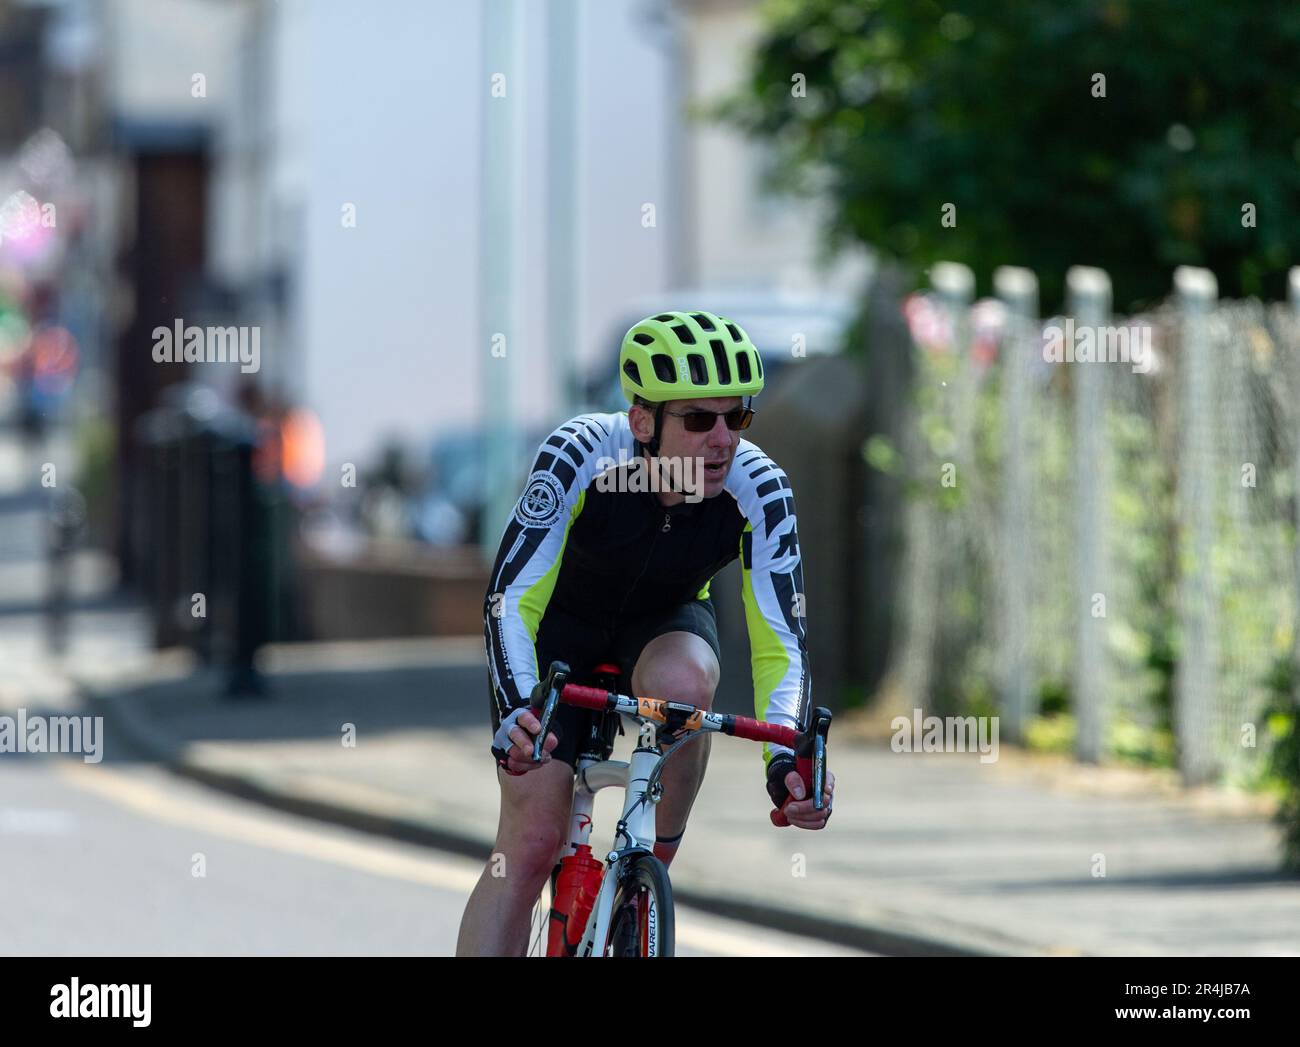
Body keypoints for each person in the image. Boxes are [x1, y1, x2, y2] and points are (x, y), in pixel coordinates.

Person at [456, 310, 833, 956]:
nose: (722, 439)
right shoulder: (579, 454)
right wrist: (524, 710)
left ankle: (644, 878)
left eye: (737, 416)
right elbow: (509, 600)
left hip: (664, 620)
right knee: (530, 843)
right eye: (697, 419)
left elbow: (781, 638)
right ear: (641, 421)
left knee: (689, 682)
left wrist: (788, 758)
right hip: (556, 639)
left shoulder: (759, 486)